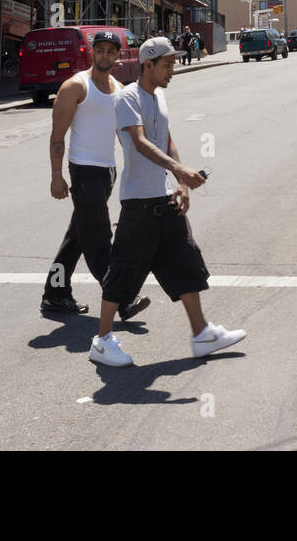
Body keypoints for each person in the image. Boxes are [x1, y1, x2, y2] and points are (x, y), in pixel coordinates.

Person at [88, 37, 246, 367]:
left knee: (185, 262)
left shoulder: (159, 96)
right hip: (139, 202)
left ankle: (201, 334)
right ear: (148, 64)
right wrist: (178, 169)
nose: (172, 71)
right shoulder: (127, 98)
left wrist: (181, 183)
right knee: (123, 271)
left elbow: (167, 139)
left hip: (164, 197)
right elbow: (141, 142)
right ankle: (102, 341)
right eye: (167, 65)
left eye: (174, 64)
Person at [43, 31, 149, 321]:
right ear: (92, 52)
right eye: (99, 49)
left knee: (77, 238)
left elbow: (121, 134)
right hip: (84, 171)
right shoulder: (75, 86)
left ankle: (55, 294)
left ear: (117, 55)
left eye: (110, 51)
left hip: (106, 173)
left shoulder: (117, 88)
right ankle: (123, 298)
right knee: (100, 237)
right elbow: (57, 136)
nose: (104, 55)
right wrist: (56, 175)